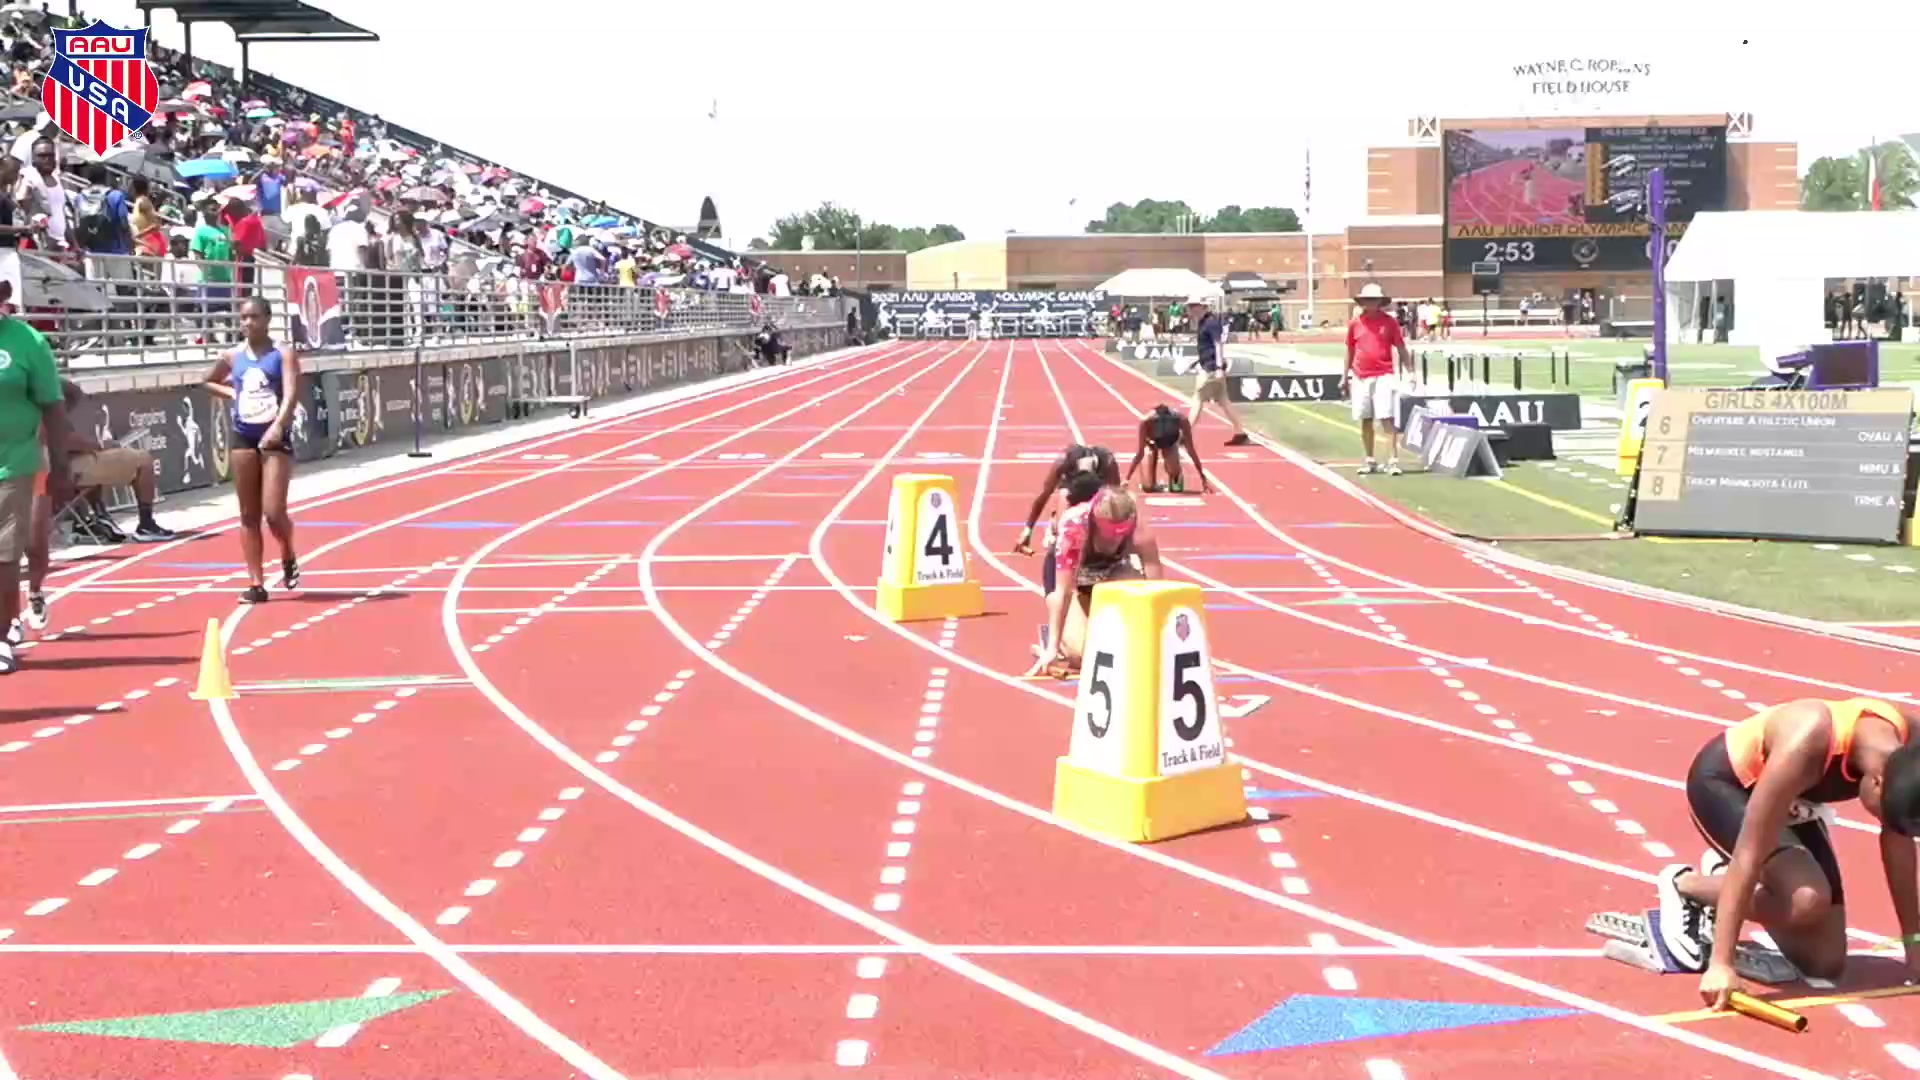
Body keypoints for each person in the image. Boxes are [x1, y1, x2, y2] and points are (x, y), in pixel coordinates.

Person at [1656, 697, 1920, 1010]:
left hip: (1794, 801)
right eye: (1884, 816)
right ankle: (1686, 886)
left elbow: (1898, 842)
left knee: (1825, 963)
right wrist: (1721, 964)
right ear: (1877, 781)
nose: (1884, 824)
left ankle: (1725, 884)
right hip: (1727, 788)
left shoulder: (1910, 749)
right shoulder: (1807, 740)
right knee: (1805, 900)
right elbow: (1749, 850)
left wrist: (1913, 944)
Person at [201, 296, 301, 604]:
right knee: (248, 514)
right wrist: (233, 392)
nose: (247, 323)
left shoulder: (282, 354)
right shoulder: (232, 355)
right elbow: (207, 381)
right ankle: (256, 583)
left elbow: (291, 394)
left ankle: (287, 549)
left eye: (254, 317)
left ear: (268, 319)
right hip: (243, 435)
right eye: (243, 318)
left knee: (273, 511)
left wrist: (278, 426)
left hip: (273, 436)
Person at [1022, 485, 1164, 678]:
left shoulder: (1139, 526)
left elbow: (1154, 586)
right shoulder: (1074, 525)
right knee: (1085, 656)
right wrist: (1052, 649)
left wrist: (1159, 640)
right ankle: (1056, 636)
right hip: (1075, 580)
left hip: (1113, 572)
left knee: (1131, 645)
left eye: (1120, 534)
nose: (1114, 541)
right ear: (1095, 522)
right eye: (1109, 533)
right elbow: (1062, 592)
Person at [0, 290, 70, 671]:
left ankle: (2, 634)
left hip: (14, 463)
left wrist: (60, 464)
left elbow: (55, 404)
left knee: (6, 553)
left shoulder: (27, 342)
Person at [1013, 443, 1121, 599]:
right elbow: (1043, 496)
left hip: (1100, 502)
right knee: (1057, 545)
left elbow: (1117, 498)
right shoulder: (1063, 464)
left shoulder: (1108, 463)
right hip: (1069, 500)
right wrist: (1027, 530)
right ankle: (1054, 594)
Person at [1343, 283, 1413, 475]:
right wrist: (1345, 375)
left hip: (1384, 374)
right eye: (1367, 300)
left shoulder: (1389, 322)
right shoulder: (1355, 323)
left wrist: (1410, 371)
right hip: (1360, 376)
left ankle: (1392, 460)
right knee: (1365, 418)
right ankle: (1370, 459)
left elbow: (1400, 347)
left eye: (1373, 300)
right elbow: (1349, 350)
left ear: (1380, 302)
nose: (1370, 303)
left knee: (1386, 418)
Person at [1185, 295, 1250, 447]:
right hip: (1208, 364)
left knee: (1198, 398)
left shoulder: (1211, 323)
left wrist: (1219, 367)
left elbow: (1218, 344)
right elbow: (1206, 346)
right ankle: (1240, 432)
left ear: (1203, 307)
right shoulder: (1202, 323)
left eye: (1194, 305)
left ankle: (1185, 434)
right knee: (1223, 400)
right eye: (1190, 306)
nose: (1191, 309)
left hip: (1212, 368)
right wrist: (1197, 360)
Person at [1125, 403, 1212, 494]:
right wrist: (1127, 478)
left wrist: (1203, 478)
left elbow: (1191, 450)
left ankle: (1175, 473)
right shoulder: (1146, 422)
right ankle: (1151, 481)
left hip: (1170, 444)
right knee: (1148, 487)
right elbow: (1140, 453)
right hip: (1151, 444)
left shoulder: (1181, 420)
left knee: (1176, 485)